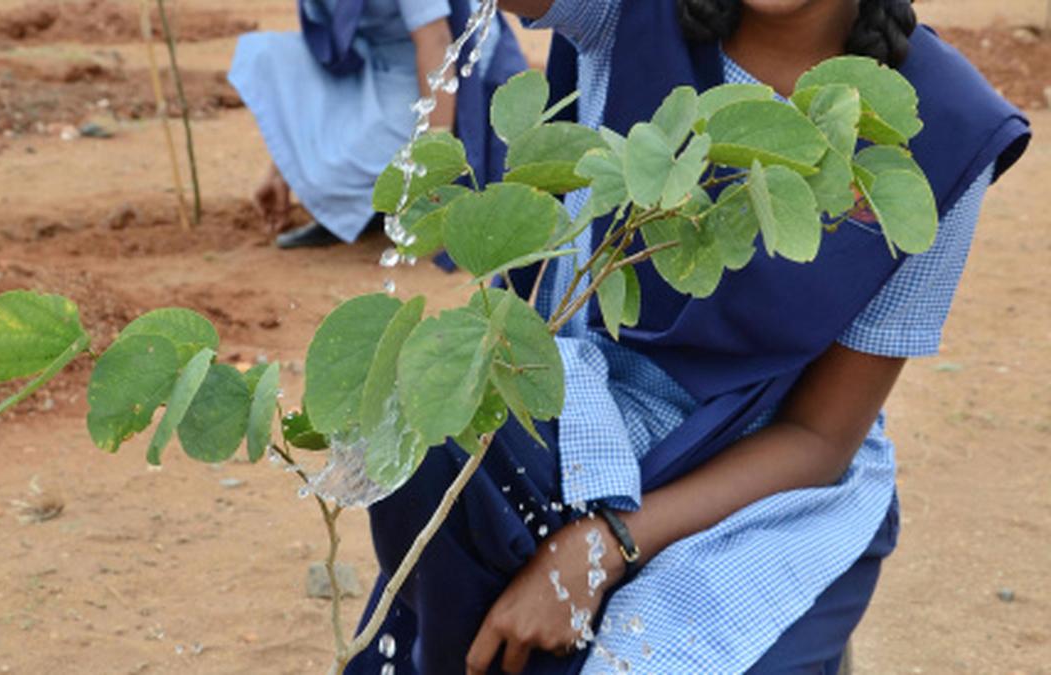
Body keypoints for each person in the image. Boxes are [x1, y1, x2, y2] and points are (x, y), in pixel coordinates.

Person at [348, 0, 1031, 673]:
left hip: (760, 474)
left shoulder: (945, 129)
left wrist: (605, 545)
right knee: (431, 432)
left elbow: (819, 439)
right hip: (579, 408)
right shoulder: (630, 11)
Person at [227, 0, 525, 249]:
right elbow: (324, 53)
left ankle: (378, 209)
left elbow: (435, 41)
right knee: (265, 57)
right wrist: (284, 170)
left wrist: (435, 152)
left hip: (442, 67)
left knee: (341, 165)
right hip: (369, 59)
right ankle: (369, 206)